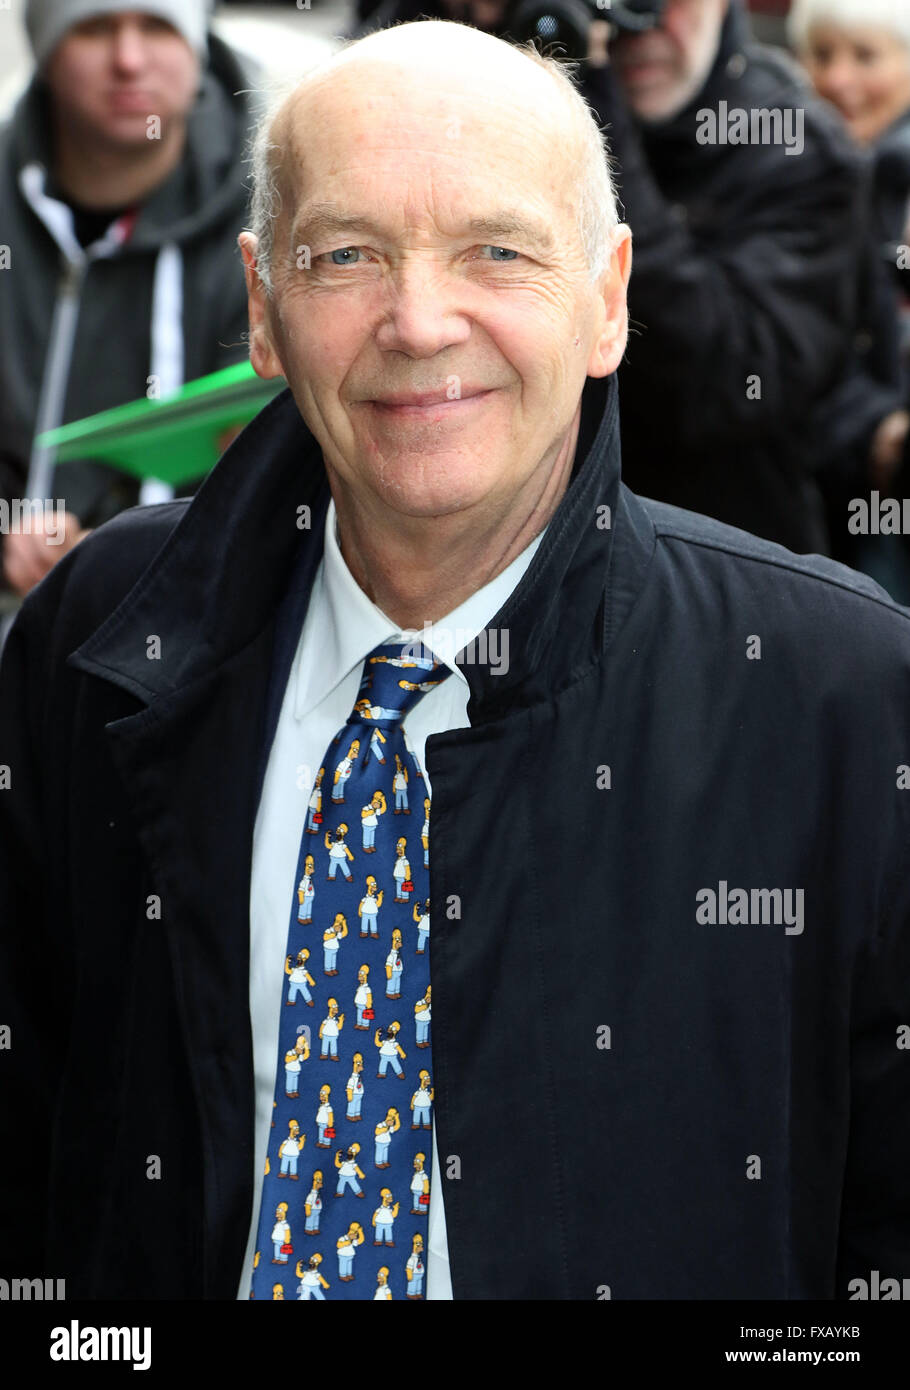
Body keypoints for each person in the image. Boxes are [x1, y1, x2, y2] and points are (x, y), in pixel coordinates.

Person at [1, 18, 909, 1301]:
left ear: (607, 299)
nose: (419, 322)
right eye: (347, 255)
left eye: (497, 250)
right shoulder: (103, 636)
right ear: (262, 308)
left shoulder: (839, 694)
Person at [350, 0, 866, 555]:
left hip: (719, 547)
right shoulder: (489, 93)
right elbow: (357, 101)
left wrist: (592, 123)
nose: (634, 29)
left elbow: (730, 380)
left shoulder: (791, 143)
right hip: (493, 547)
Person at [0, 0, 258, 599]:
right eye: (93, 28)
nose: (129, 60)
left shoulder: (277, 212)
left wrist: (140, 553)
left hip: (192, 617)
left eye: (157, 26)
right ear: (44, 50)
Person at [788, 0, 910, 598]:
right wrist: (877, 432)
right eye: (821, 55)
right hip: (846, 502)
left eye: (866, 56)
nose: (838, 79)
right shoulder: (789, 180)